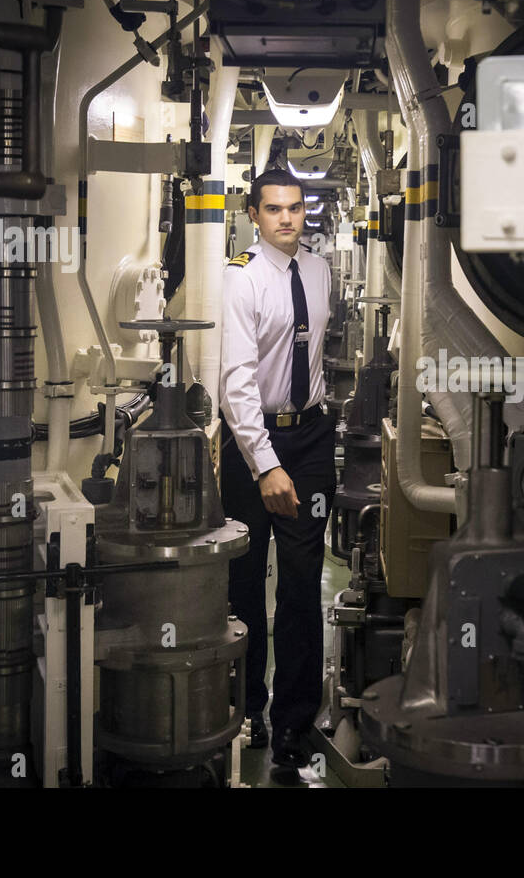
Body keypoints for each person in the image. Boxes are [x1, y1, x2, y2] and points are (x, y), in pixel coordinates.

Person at [217, 167, 335, 776]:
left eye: (294, 208)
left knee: (300, 585)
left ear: (304, 210)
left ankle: (293, 722)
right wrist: (265, 466)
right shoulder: (241, 279)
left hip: (310, 438)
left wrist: (294, 455)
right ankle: (247, 712)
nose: (286, 218)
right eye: (273, 209)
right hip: (249, 447)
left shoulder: (319, 271)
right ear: (254, 214)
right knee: (243, 588)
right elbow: (235, 384)